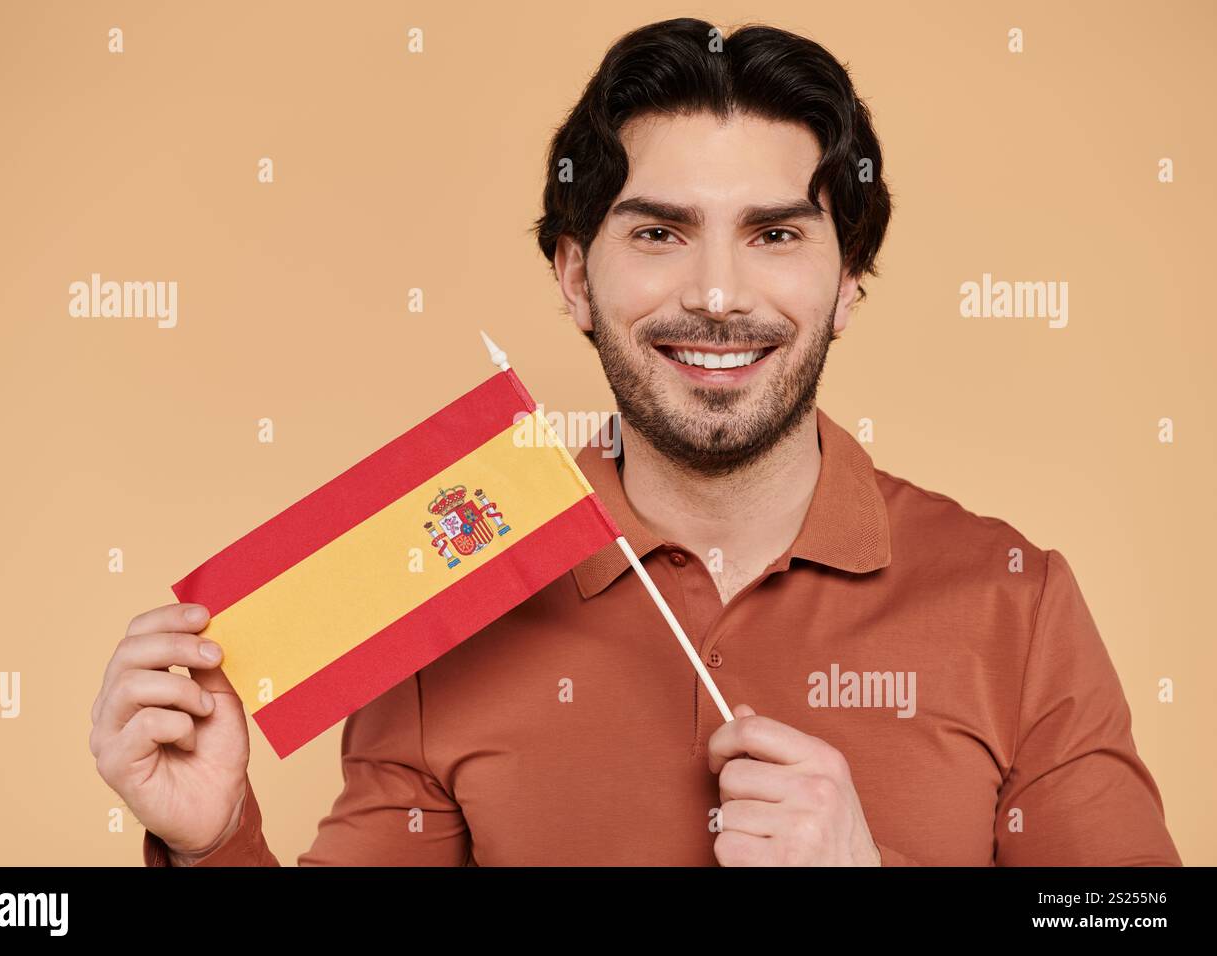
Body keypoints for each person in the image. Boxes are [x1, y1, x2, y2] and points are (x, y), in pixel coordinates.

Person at [91, 17, 1182, 866]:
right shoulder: (448, 595)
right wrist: (213, 839)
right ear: (575, 274)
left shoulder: (1013, 598)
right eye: (658, 233)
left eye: (774, 234)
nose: (715, 293)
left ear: (848, 279)